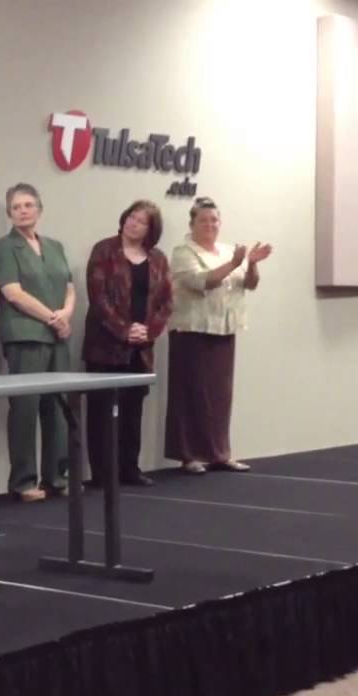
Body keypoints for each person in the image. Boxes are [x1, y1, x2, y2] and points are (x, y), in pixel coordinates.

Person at [165, 197, 272, 474]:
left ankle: (219, 454)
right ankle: (189, 455)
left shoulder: (227, 251)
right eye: (203, 220)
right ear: (192, 224)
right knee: (191, 394)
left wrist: (252, 263)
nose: (210, 225)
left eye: (214, 220)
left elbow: (250, 284)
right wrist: (235, 263)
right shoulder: (183, 252)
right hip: (192, 331)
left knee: (220, 396)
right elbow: (202, 281)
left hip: (224, 329)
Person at [0, 183, 75, 501]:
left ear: (39, 209)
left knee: (59, 407)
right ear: (9, 213)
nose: (22, 211)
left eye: (28, 205)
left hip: (57, 337)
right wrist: (52, 318)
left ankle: (57, 477)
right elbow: (13, 293)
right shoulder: (4, 248)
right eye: (16, 207)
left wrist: (65, 314)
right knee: (26, 408)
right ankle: (24, 482)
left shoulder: (55, 246)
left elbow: (69, 287)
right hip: (26, 336)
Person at [82, 200, 173, 488]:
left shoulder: (158, 259)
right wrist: (124, 330)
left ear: (150, 230)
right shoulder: (104, 250)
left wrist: (148, 332)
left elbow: (166, 302)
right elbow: (98, 297)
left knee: (133, 411)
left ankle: (129, 468)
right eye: (131, 217)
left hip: (140, 348)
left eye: (141, 221)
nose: (133, 223)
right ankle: (102, 473)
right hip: (105, 345)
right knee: (101, 411)